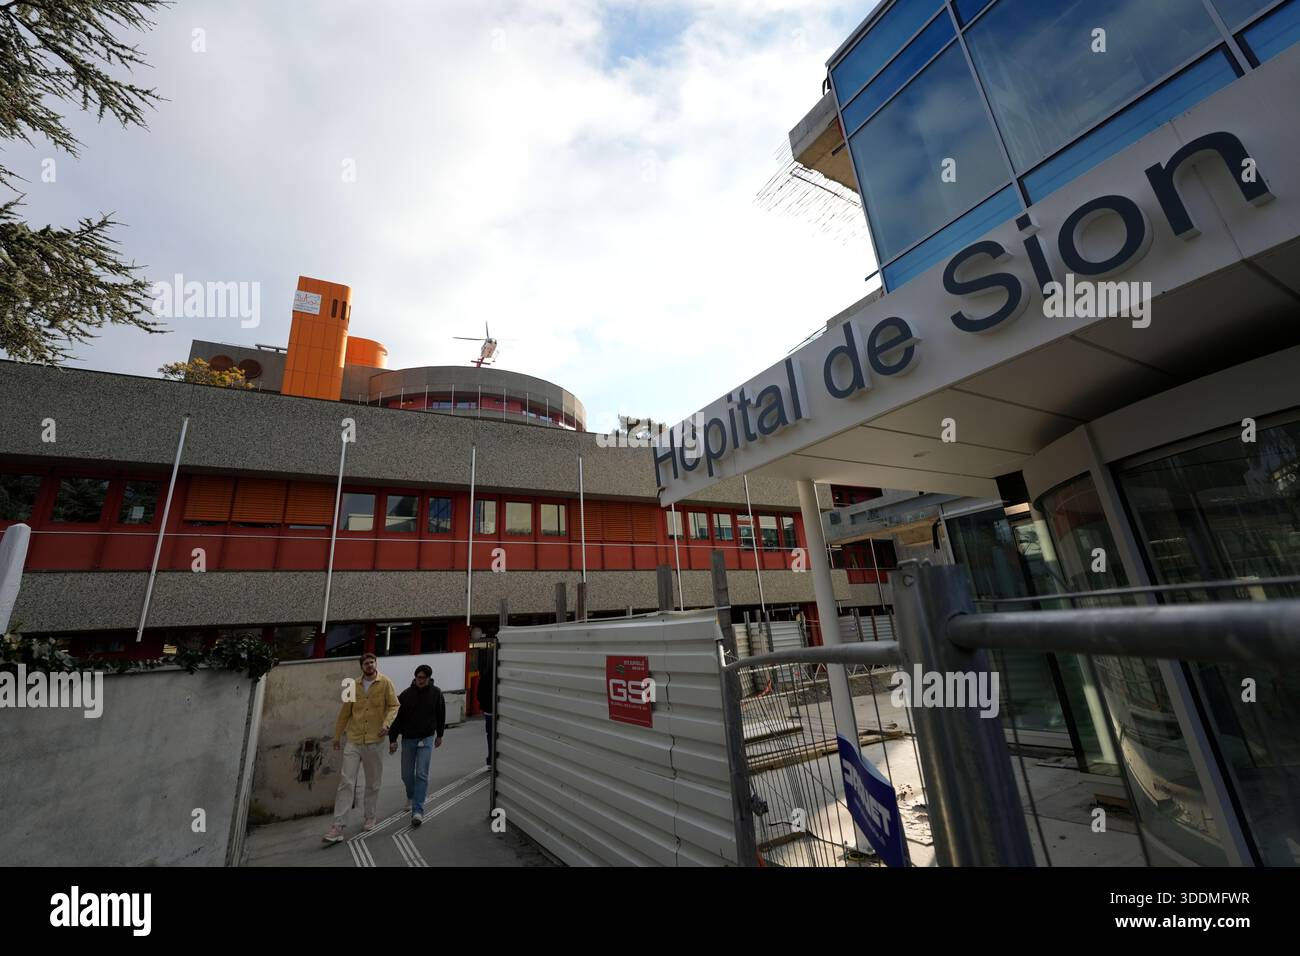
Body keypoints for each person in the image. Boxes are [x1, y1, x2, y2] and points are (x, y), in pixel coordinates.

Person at [323, 652, 400, 843]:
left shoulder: (386, 683)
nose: (369, 666)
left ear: (376, 664)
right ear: (361, 666)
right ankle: (338, 826)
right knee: (346, 781)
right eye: (366, 663)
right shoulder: (351, 685)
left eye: (372, 662)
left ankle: (370, 815)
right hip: (354, 740)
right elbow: (344, 713)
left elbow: (394, 705)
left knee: (373, 781)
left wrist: (386, 724)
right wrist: (337, 735)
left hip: (375, 740)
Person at [388, 664, 445, 826]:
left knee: (421, 773)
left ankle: (418, 810)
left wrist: (440, 734)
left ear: (429, 678)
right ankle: (411, 795)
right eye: (418, 677)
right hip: (409, 739)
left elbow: (441, 714)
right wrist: (393, 740)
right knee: (406, 774)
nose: (420, 680)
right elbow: (397, 720)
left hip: (427, 738)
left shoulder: (436, 693)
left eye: (423, 678)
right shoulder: (406, 695)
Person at [477, 648, 494, 766]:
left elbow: (479, 694)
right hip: (498, 711)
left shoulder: (485, 676)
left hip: (488, 711)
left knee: (490, 735)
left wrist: (484, 706)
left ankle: (490, 760)